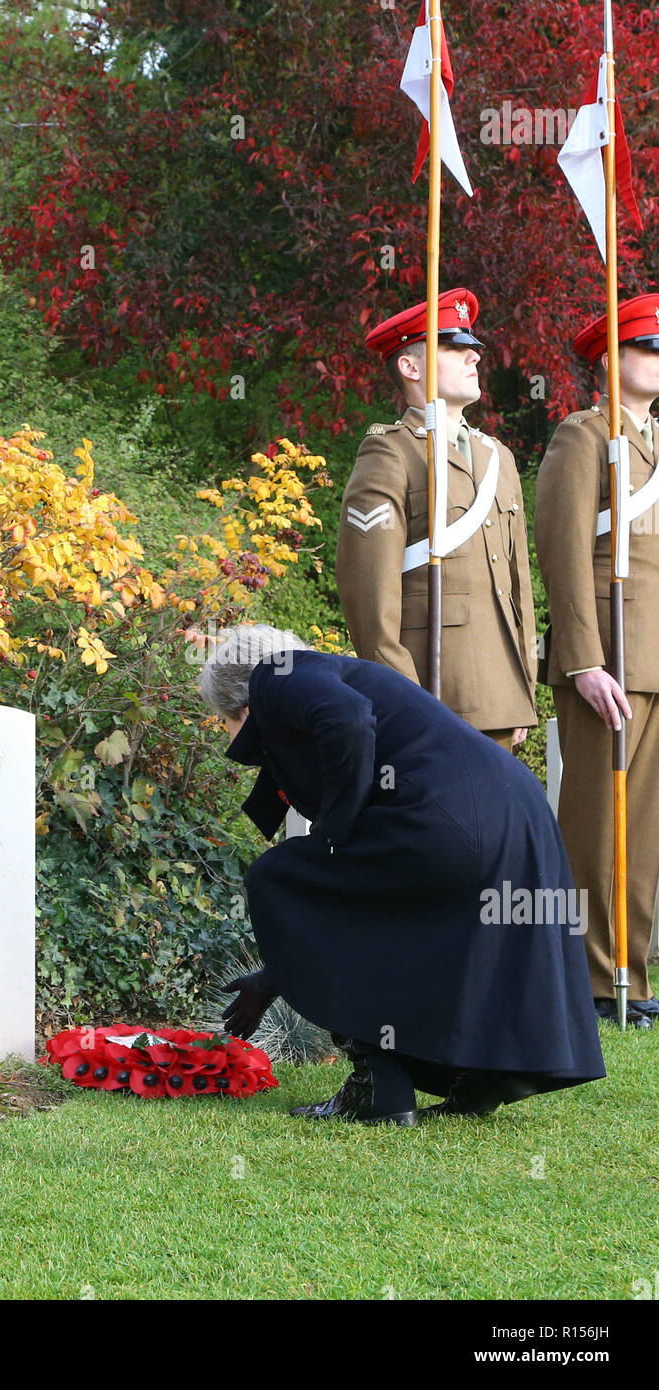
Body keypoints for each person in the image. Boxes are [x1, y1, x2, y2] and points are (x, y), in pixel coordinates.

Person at [199, 624, 605, 1126]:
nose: (226, 735)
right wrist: (274, 976)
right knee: (429, 928)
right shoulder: (332, 672)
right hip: (513, 812)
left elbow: (346, 720)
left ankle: (379, 1087)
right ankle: (484, 1075)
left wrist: (336, 837)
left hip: (448, 815)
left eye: (222, 722)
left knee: (277, 876)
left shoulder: (276, 677)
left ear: (238, 704)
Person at [336, 287, 537, 751]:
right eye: (453, 347)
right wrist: (404, 700)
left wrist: (521, 684)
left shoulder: (498, 458)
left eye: (473, 348)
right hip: (433, 694)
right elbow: (370, 594)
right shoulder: (390, 452)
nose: (474, 358)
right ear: (410, 367)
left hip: (500, 693)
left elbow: (517, 583)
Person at [534, 292, 659, 1027]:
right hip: (608, 662)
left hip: (656, 659)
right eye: (651, 349)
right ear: (614, 360)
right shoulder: (584, 437)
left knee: (643, 829)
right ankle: (584, 978)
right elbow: (563, 551)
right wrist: (582, 658)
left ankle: (631, 978)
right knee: (592, 827)